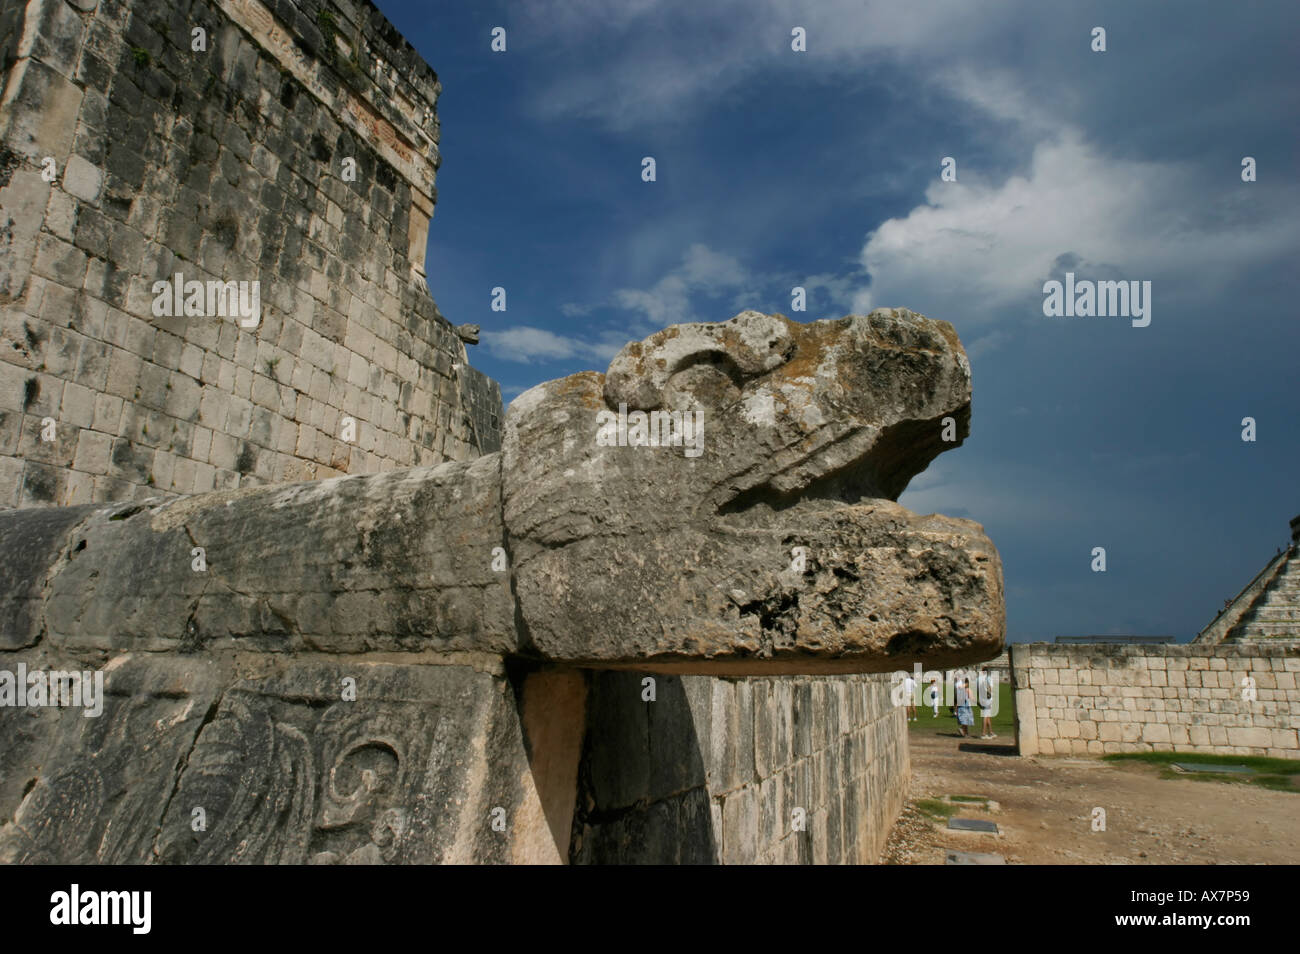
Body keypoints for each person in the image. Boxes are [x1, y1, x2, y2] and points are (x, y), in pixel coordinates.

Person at [977, 669, 998, 740]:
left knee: (987, 715)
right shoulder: (988, 678)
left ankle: (991, 732)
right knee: (985, 715)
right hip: (987, 699)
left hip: (981, 698)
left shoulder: (978, 679)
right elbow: (990, 688)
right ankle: (983, 733)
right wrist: (990, 694)